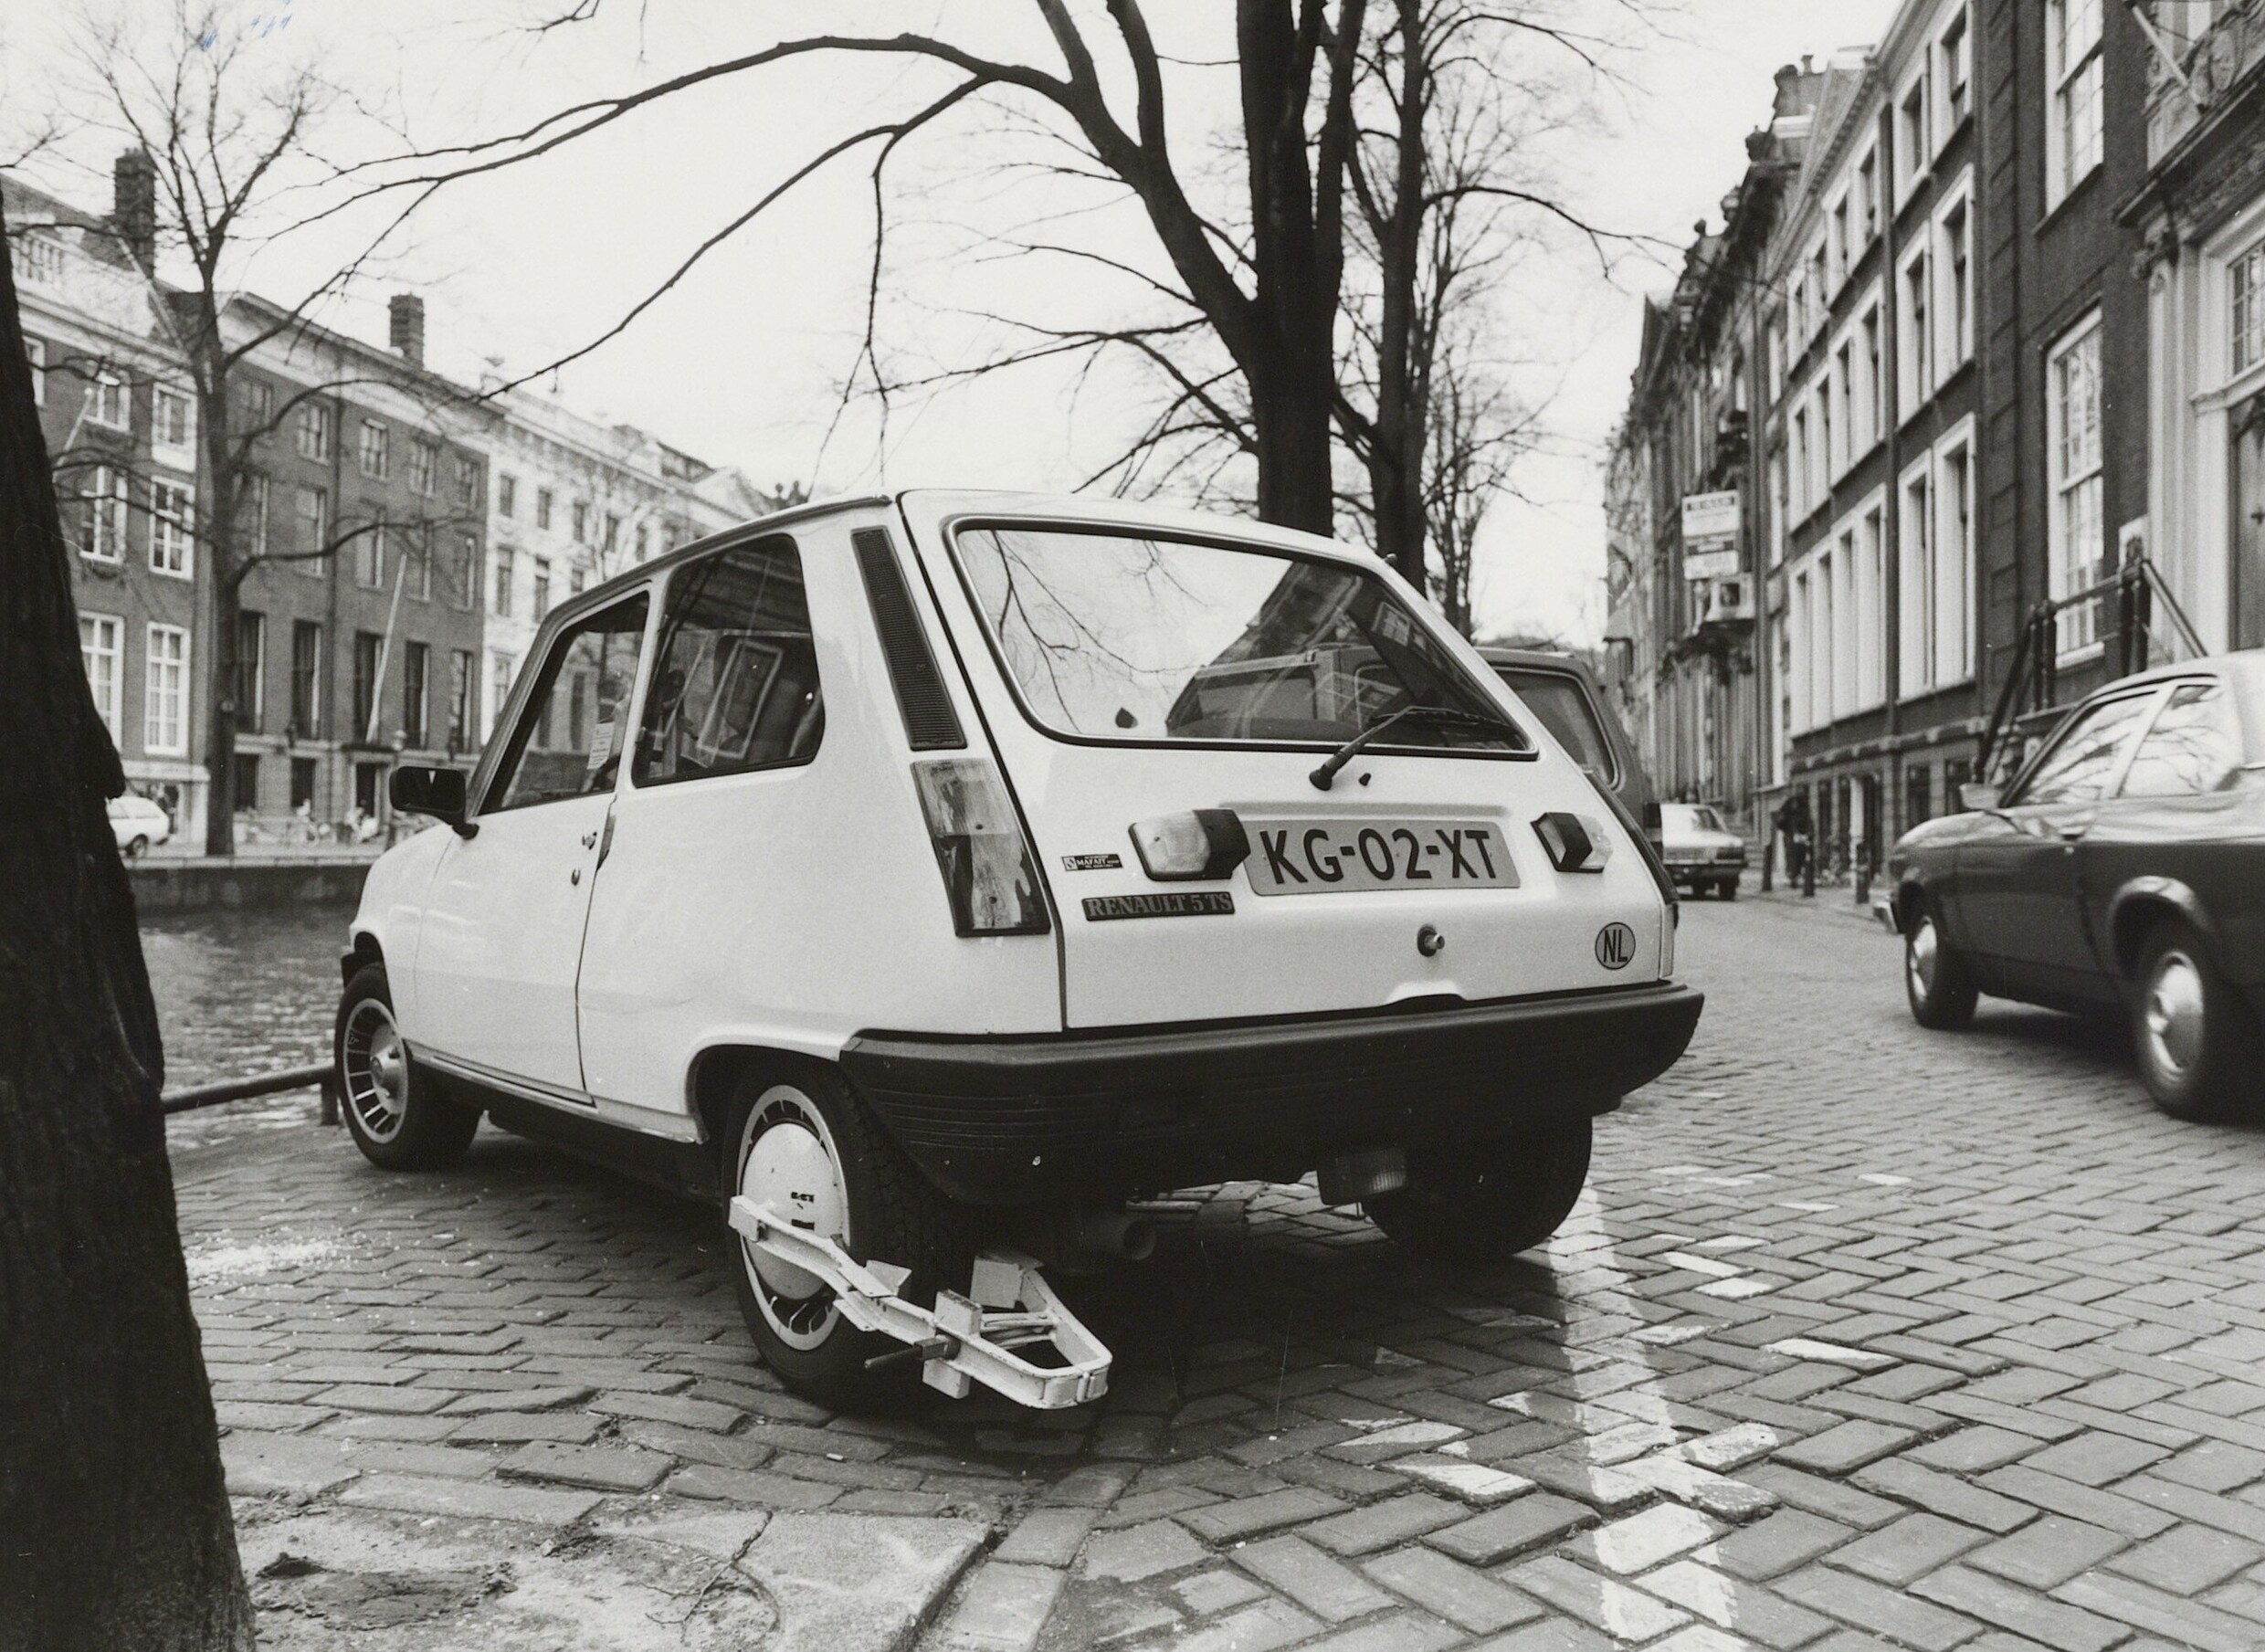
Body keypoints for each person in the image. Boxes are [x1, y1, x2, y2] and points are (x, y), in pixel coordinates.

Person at [1774, 791, 1813, 890]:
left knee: (1801, 858)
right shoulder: (1787, 812)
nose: (1794, 805)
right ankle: (1793, 877)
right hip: (1791, 838)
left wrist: (1807, 834)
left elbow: (1808, 823)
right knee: (1792, 858)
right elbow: (1780, 823)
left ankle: (1799, 877)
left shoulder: (1803, 811)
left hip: (1800, 838)